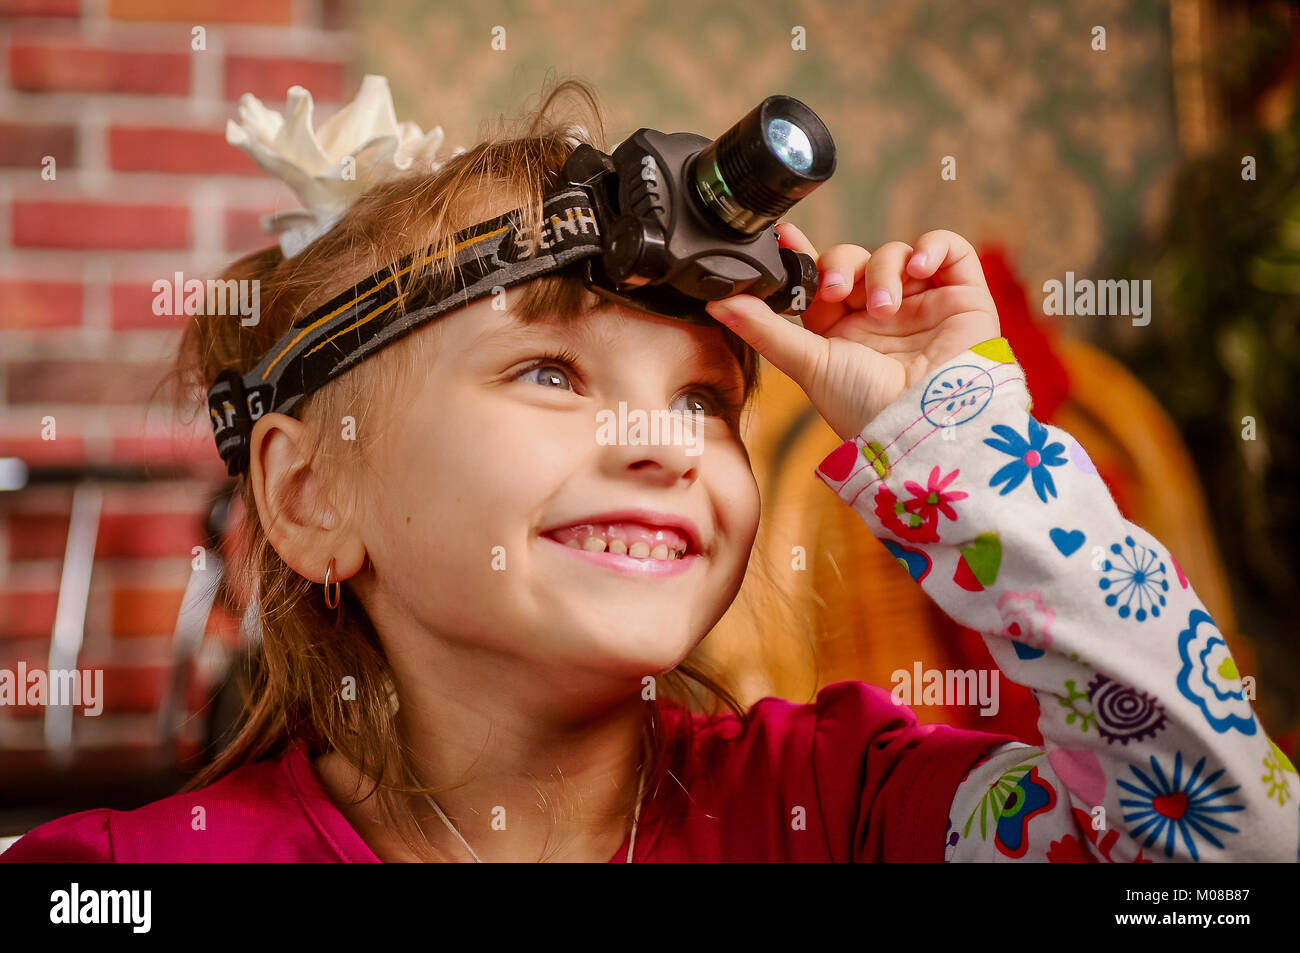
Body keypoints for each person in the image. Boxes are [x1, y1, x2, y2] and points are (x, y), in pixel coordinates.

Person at [4, 76, 1294, 863]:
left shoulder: (840, 814)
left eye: (702, 401)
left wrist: (952, 428)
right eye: (551, 376)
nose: (663, 445)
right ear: (309, 494)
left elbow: (1229, 841)